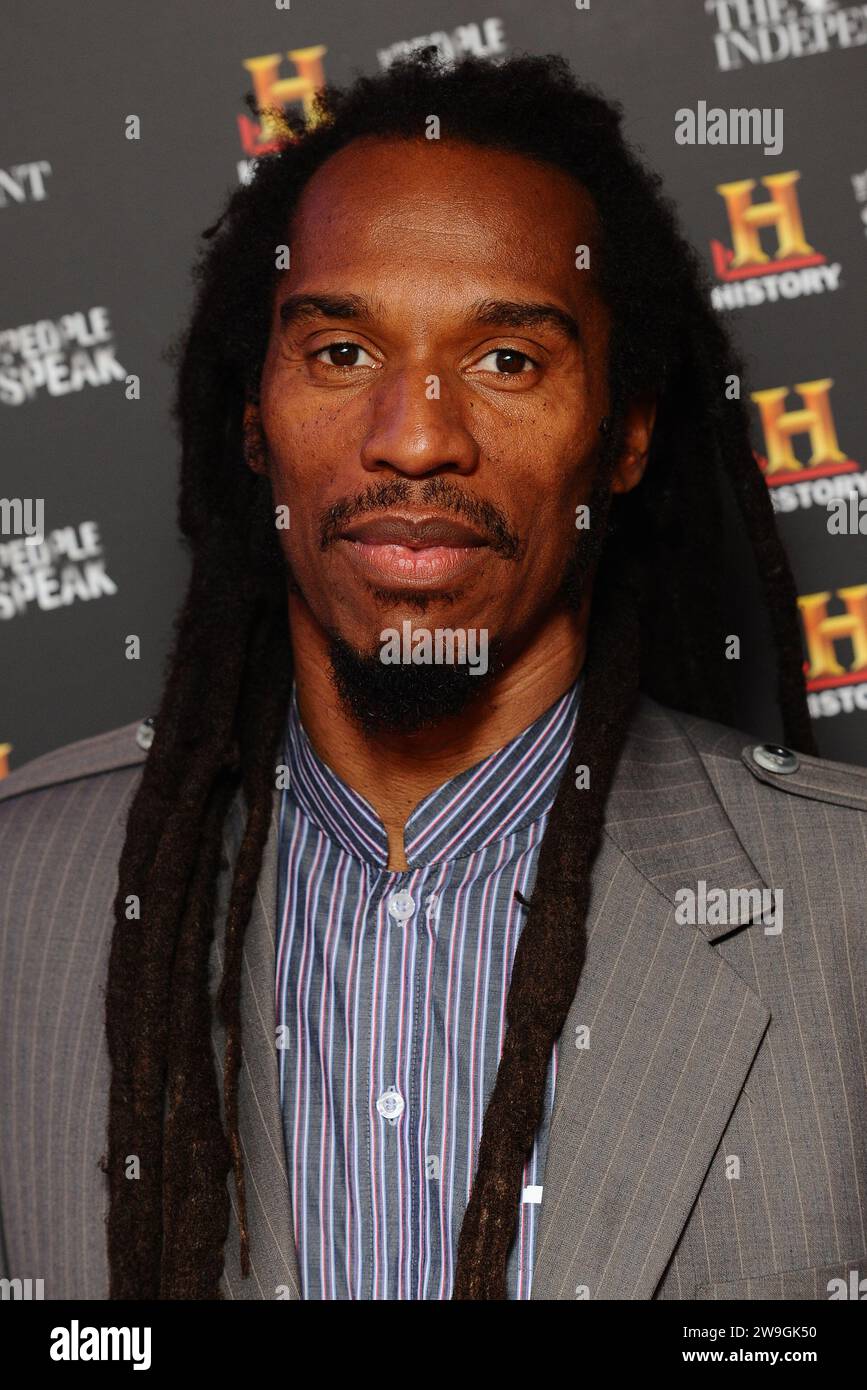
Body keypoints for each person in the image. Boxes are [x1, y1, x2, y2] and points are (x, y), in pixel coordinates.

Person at [1, 52, 865, 1302]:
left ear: (623, 435)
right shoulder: (24, 900)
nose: (415, 434)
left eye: (508, 360)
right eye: (343, 351)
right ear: (255, 416)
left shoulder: (842, 911)